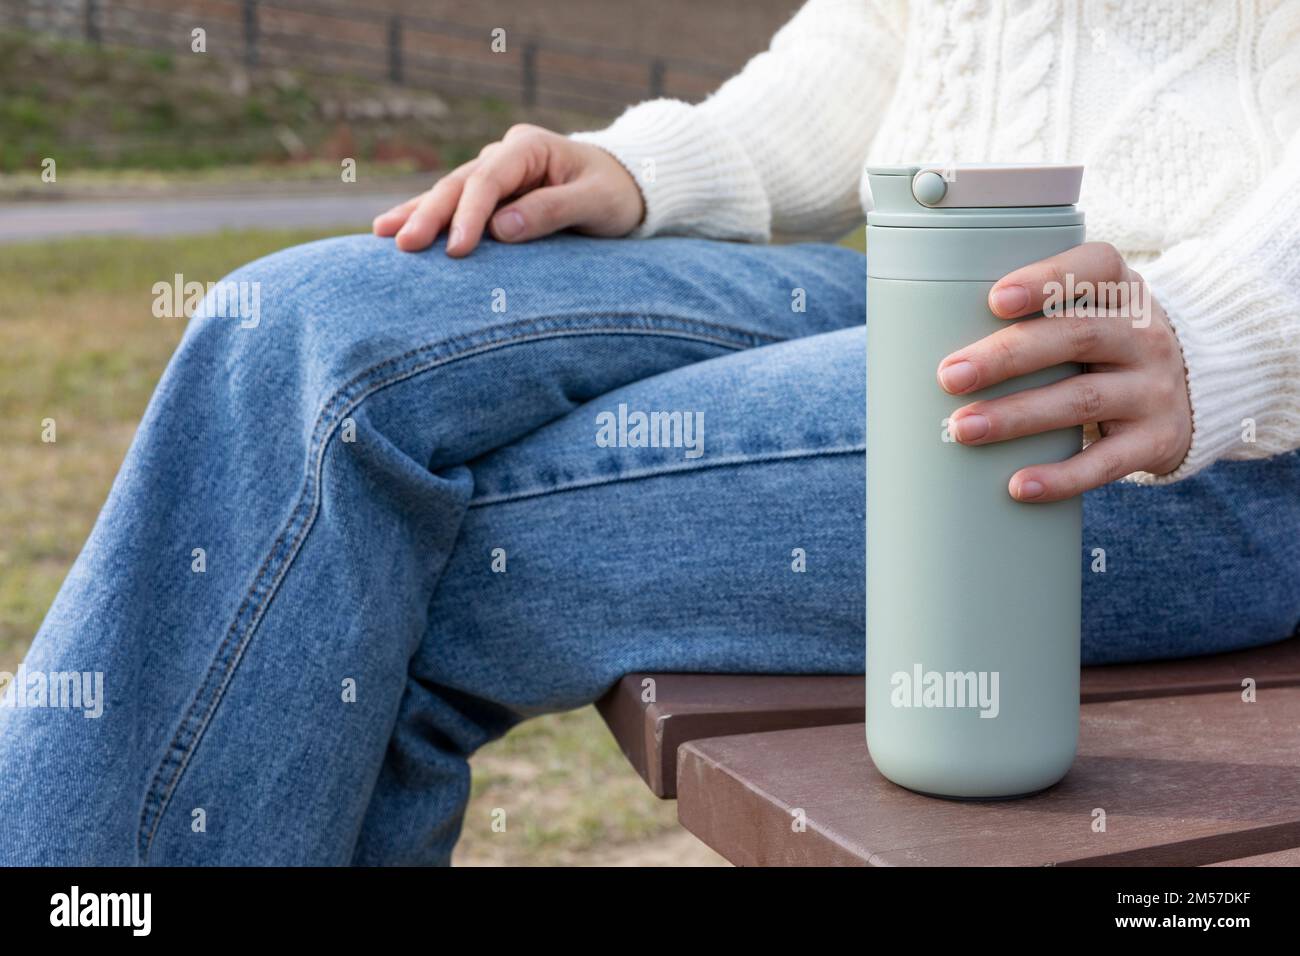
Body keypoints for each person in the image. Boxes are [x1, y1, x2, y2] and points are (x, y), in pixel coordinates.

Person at [2, 0, 1298, 866]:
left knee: (348, 560)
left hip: (1178, 409)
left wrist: (1233, 326)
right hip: (898, 273)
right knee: (290, 325)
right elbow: (892, 39)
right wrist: (644, 169)